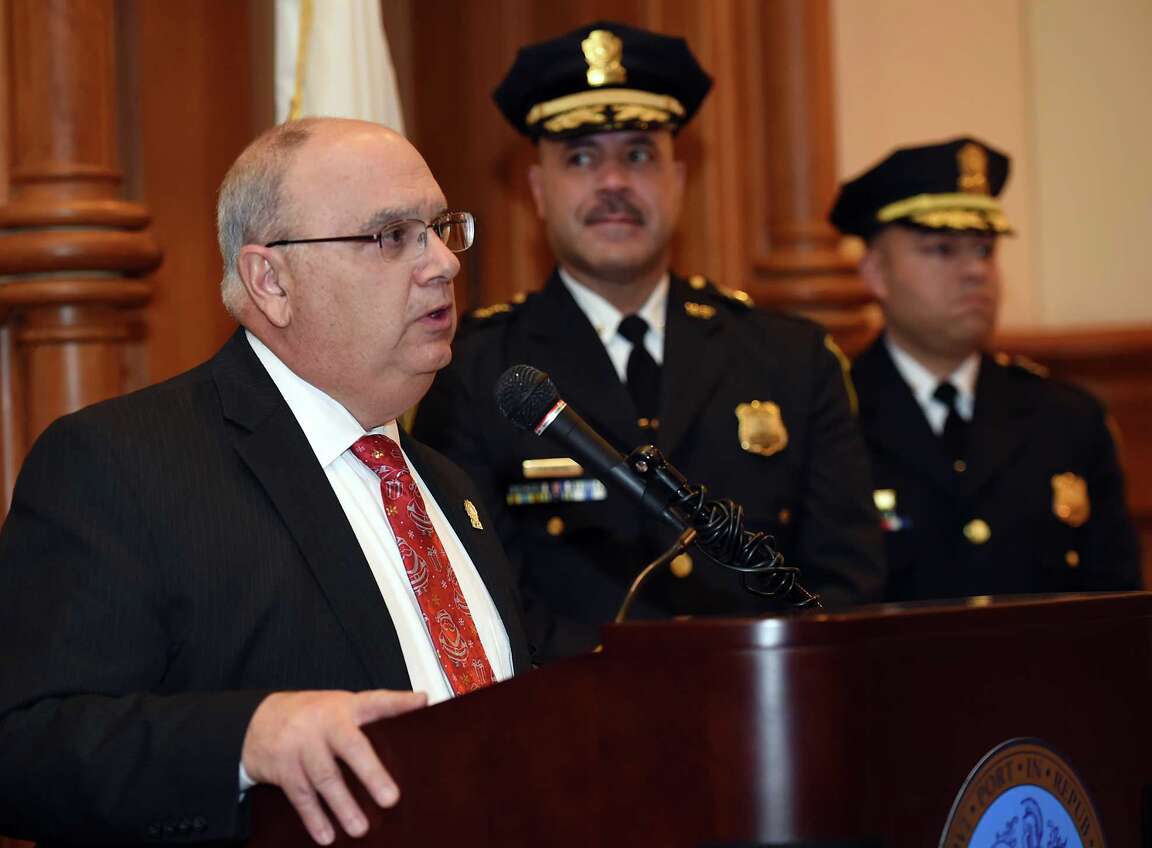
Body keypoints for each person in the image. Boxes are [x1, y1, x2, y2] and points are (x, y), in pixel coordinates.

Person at [0, 118, 530, 846]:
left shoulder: (449, 488)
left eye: (441, 227)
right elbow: (23, 756)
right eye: (392, 236)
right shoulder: (121, 464)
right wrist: (246, 737)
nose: (443, 265)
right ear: (271, 281)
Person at [413, 21, 885, 661]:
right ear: (537, 191)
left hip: (768, 719)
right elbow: (482, 599)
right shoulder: (473, 368)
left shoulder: (792, 360)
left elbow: (845, 582)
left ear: (679, 180)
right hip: (566, 725)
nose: (613, 182)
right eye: (580, 157)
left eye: (638, 154)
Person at [830, 136, 1142, 600]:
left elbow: (1120, 612)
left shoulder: (1067, 420)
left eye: (984, 251)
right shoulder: (834, 416)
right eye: (941, 249)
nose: (975, 271)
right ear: (875, 273)